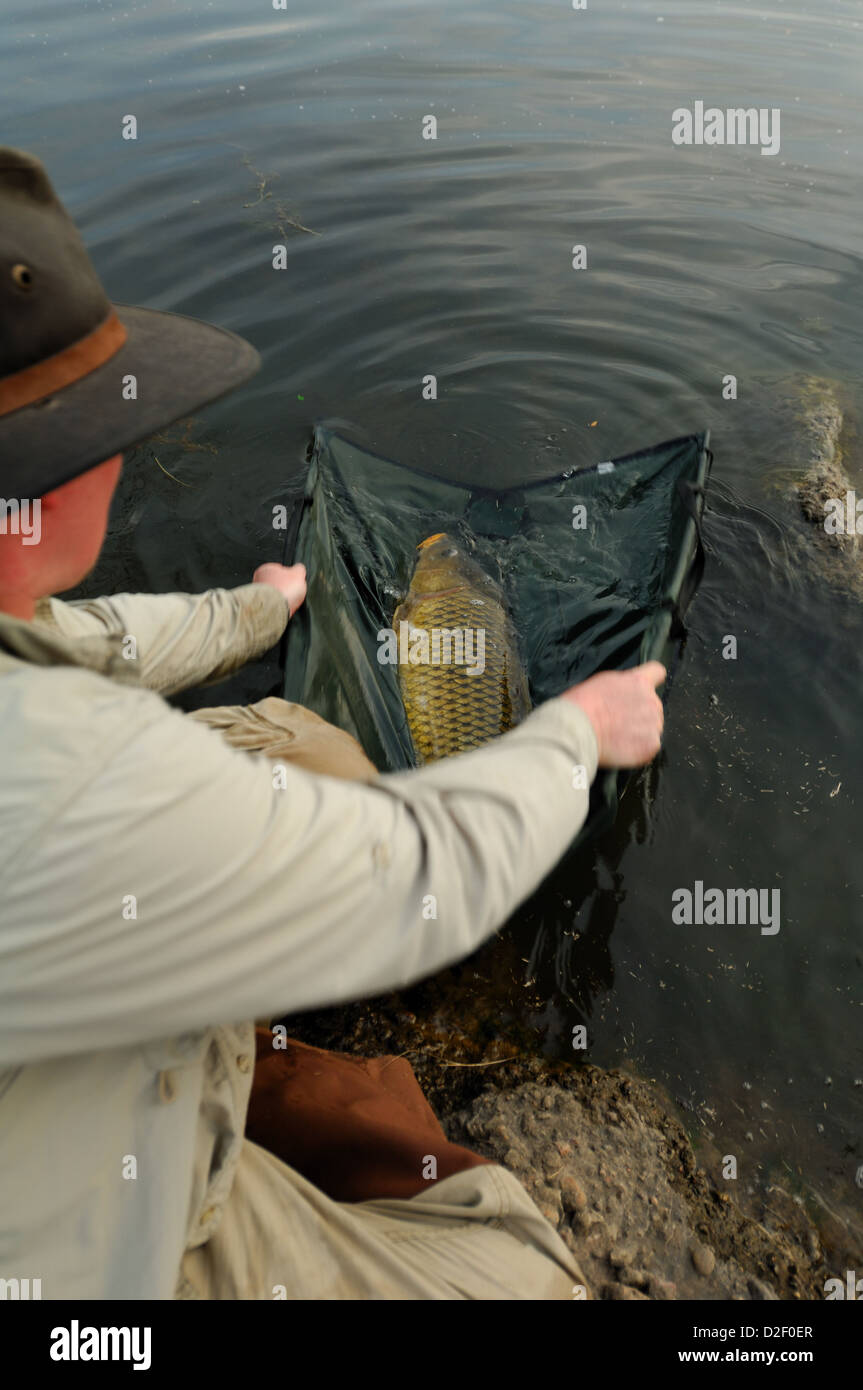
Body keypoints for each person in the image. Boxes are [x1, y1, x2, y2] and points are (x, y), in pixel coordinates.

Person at [0, 146, 665, 1301]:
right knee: (523, 1271)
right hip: (80, 1256)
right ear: (53, 476)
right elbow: (414, 876)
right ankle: (217, 1117)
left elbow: (91, 637)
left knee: (298, 742)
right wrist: (573, 733)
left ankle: (221, 1066)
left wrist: (258, 607)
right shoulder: (65, 772)